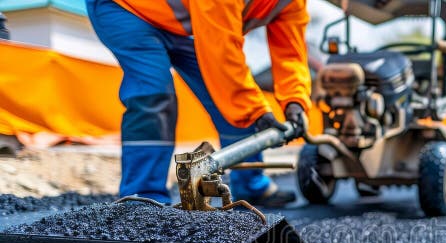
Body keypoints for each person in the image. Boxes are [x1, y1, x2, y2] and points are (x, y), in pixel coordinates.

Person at [86, 0, 311, 206]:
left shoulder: (291, 3)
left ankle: (250, 183)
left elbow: (290, 55)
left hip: (179, 25)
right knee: (154, 94)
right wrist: (257, 112)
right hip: (127, 9)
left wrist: (295, 101)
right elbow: (222, 53)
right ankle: (142, 198)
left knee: (230, 100)